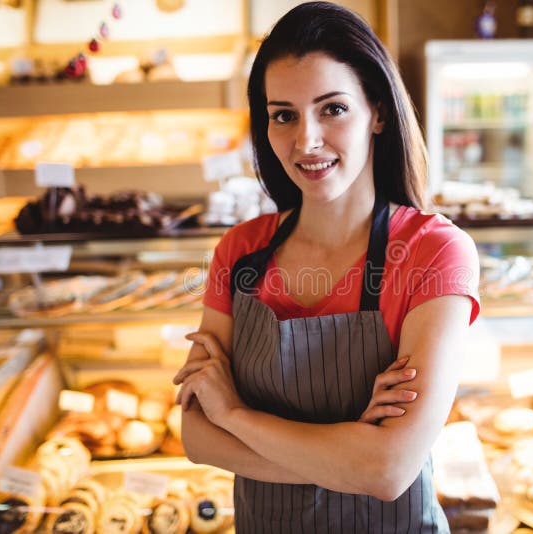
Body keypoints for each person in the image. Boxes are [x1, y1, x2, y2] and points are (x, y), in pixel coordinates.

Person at [173, 2, 480, 531]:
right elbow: (197, 438)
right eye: (283, 114)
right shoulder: (239, 254)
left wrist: (236, 416)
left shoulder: (435, 251)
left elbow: (388, 470)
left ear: (378, 113)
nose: (305, 140)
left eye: (332, 109)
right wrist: (347, 452)